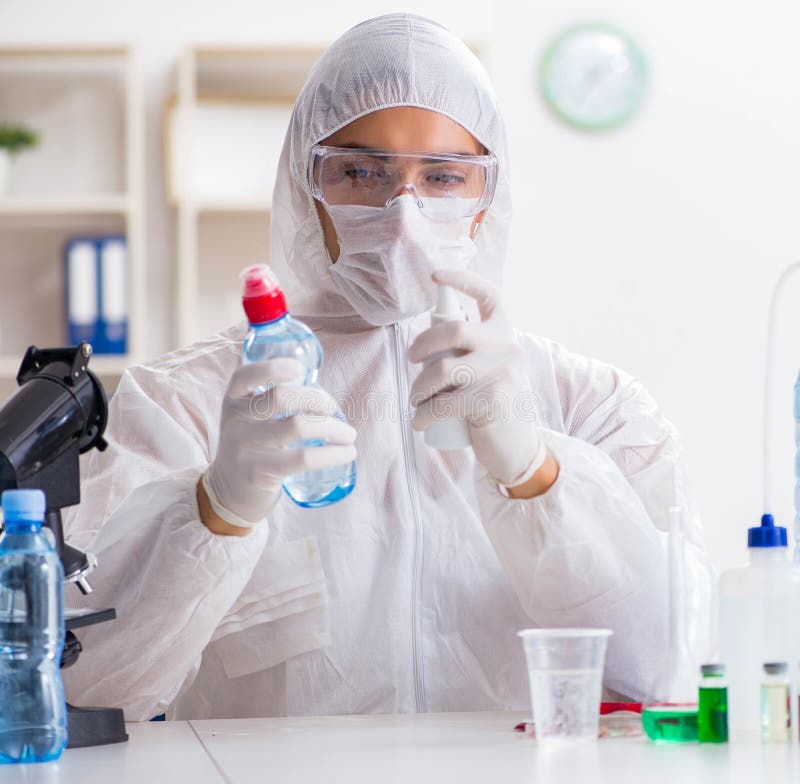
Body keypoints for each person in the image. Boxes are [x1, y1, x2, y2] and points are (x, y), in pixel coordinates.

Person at [63, 13, 714, 721]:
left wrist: (537, 474)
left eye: (443, 176)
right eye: (360, 172)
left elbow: (669, 668)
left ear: (485, 200)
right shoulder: (184, 401)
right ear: (307, 185)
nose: (403, 215)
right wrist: (214, 509)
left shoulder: (593, 404)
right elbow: (82, 690)